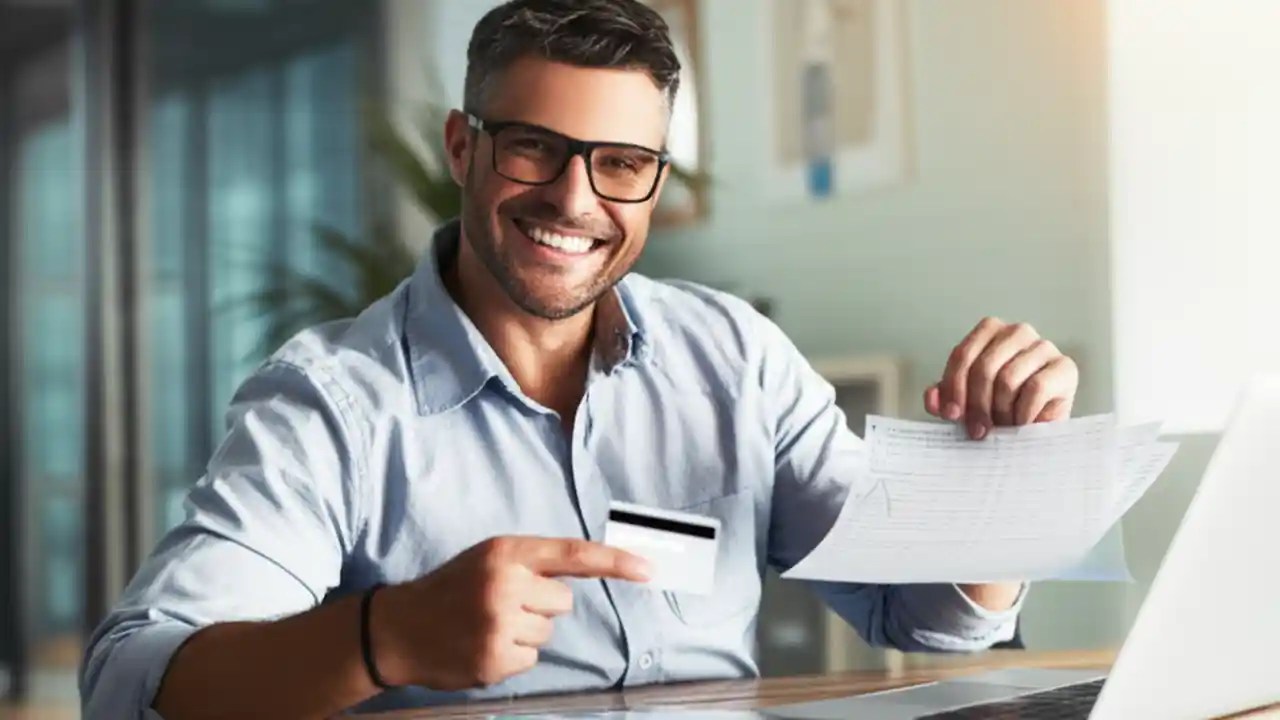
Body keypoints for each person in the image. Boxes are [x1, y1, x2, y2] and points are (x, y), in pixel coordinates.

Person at [80, 0, 1080, 717]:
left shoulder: (732, 357)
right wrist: (383, 639)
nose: (573, 199)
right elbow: (133, 681)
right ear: (462, 148)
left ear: (652, 178)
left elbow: (925, 617)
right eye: (531, 148)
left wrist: (993, 481)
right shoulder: (330, 406)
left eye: (620, 163)